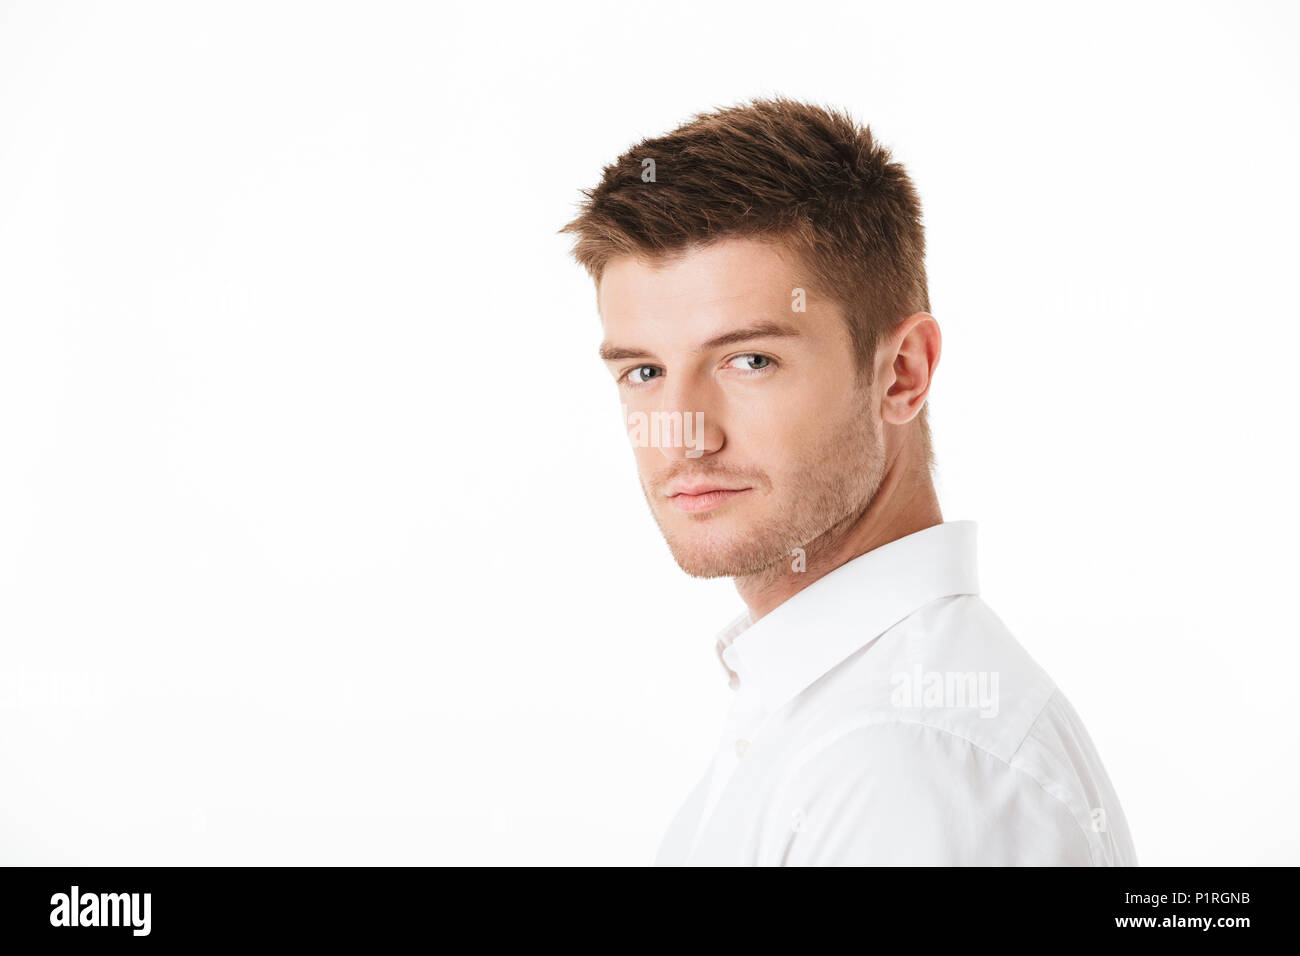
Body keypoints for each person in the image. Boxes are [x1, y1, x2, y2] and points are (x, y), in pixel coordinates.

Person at [559, 97, 1136, 866]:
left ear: (902, 372)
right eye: (644, 371)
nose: (682, 431)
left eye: (749, 360)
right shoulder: (823, 713)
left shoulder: (899, 762)